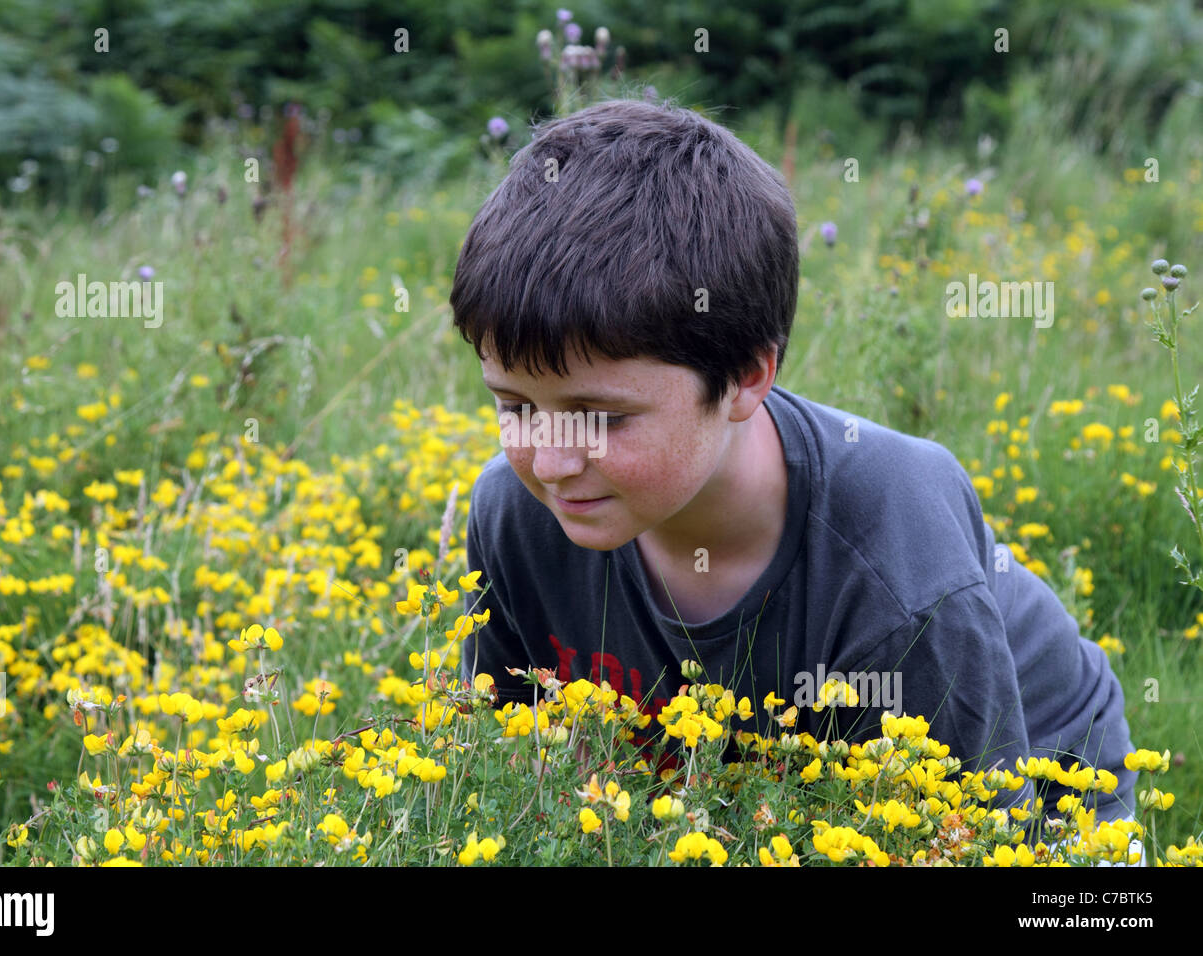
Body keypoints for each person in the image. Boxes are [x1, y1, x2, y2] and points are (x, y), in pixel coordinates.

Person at [447, 97, 1138, 828]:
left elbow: (975, 836)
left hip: (1034, 805)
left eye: (606, 418)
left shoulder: (895, 557)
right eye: (516, 406)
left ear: (747, 375)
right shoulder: (515, 516)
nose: (551, 462)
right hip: (746, 813)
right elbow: (515, 776)